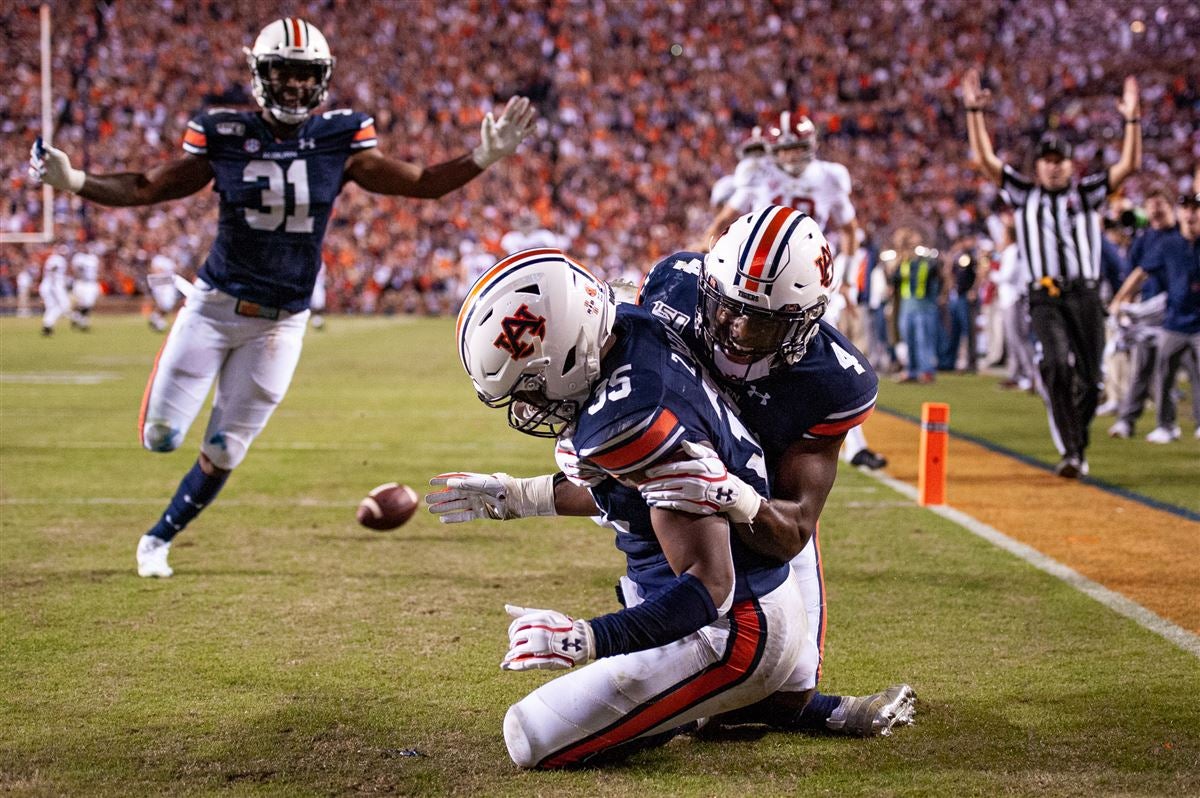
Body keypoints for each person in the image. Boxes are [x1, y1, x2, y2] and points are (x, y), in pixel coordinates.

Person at [28, 17, 536, 578]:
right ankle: (162, 482)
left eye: (304, 75)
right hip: (214, 307)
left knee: (225, 449)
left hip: (281, 323)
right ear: (260, 74)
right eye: (282, 72)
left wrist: (481, 159)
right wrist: (77, 182)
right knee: (161, 437)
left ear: (321, 79)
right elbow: (149, 186)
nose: (293, 85)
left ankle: (158, 539)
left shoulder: (340, 139)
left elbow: (419, 182)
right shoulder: (222, 132)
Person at [432, 209, 915, 741]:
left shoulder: (830, 381)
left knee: (791, 686)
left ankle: (780, 700)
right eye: (726, 306)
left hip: (761, 508)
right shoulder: (674, 288)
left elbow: (793, 531)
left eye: (760, 320)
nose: (734, 329)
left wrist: (739, 498)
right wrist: (529, 492)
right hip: (686, 490)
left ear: (805, 320)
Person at [433, 247, 811, 768]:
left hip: (736, 630)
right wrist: (519, 497)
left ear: (568, 354)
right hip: (717, 590)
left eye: (531, 387)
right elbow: (630, 490)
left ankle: (718, 700)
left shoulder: (635, 422)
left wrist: (591, 637)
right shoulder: (626, 326)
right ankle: (685, 704)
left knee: (530, 736)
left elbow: (709, 589)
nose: (527, 407)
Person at [963, 68, 1142, 478]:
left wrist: (1132, 119)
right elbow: (987, 162)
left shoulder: (1088, 192)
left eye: (1060, 161)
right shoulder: (1025, 194)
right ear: (1038, 166)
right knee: (1057, 366)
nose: (1054, 168)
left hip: (1085, 294)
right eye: (1047, 161)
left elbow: (1129, 164)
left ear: (1070, 165)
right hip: (1044, 295)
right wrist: (975, 114)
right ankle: (1073, 452)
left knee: (1094, 381)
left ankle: (1075, 440)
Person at [1109, 192, 1200, 442]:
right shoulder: (1163, 243)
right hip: (1166, 318)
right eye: (1187, 209)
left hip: (1190, 319)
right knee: (1156, 372)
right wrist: (1121, 299)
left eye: (1195, 209)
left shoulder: (1173, 238)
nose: (1191, 214)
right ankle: (1158, 424)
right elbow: (1140, 272)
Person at [1107, 188, 1175, 438]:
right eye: (1151, 205)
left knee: (1179, 369)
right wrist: (1123, 302)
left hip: (1180, 311)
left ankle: (1171, 424)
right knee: (1143, 368)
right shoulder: (1144, 239)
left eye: (1161, 204)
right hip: (1150, 310)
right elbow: (1135, 272)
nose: (1156, 210)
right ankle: (1128, 420)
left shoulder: (1182, 236)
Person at [887, 227, 942, 384]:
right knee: (909, 339)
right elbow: (894, 280)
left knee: (923, 339)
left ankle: (926, 371)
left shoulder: (926, 258)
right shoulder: (902, 262)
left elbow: (936, 271)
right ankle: (911, 370)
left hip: (924, 305)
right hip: (907, 305)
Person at [37, 247, 71, 337]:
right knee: (64, 306)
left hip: (48, 285)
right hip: (53, 286)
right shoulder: (58, 259)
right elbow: (53, 271)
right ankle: (47, 325)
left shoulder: (51, 258)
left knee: (52, 307)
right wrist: (54, 287)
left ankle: (47, 326)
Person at [69, 245, 101, 331]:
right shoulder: (78, 257)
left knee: (89, 304)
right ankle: (84, 323)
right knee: (82, 304)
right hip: (81, 283)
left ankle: (76, 317)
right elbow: (74, 270)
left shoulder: (94, 258)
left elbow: (98, 270)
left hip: (91, 283)